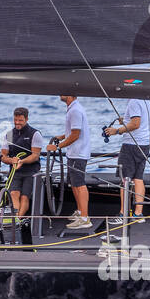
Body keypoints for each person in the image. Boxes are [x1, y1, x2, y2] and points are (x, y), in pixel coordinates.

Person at [47, 95, 93, 230]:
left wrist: (58, 146)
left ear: (70, 94)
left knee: (79, 184)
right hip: (73, 153)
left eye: (63, 92)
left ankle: (85, 218)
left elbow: (75, 134)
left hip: (78, 153)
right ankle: (80, 212)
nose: (60, 94)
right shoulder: (72, 109)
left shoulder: (75, 110)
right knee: (73, 183)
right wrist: (61, 136)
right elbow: (72, 131)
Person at [105, 98, 150, 217]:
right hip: (144, 144)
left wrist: (117, 131)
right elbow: (137, 120)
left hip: (131, 145)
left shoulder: (133, 101)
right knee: (138, 178)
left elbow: (135, 124)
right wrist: (125, 120)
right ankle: (138, 214)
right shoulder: (146, 100)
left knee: (125, 179)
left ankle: (123, 213)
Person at [1, 107, 41, 217]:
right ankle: (15, 219)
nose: (17, 123)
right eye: (15, 120)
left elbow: (35, 156)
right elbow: (3, 156)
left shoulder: (35, 134)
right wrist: (11, 160)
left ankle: (18, 219)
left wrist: (21, 161)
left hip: (31, 171)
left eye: (20, 120)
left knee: (24, 196)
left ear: (26, 119)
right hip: (15, 171)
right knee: (14, 194)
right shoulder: (8, 134)